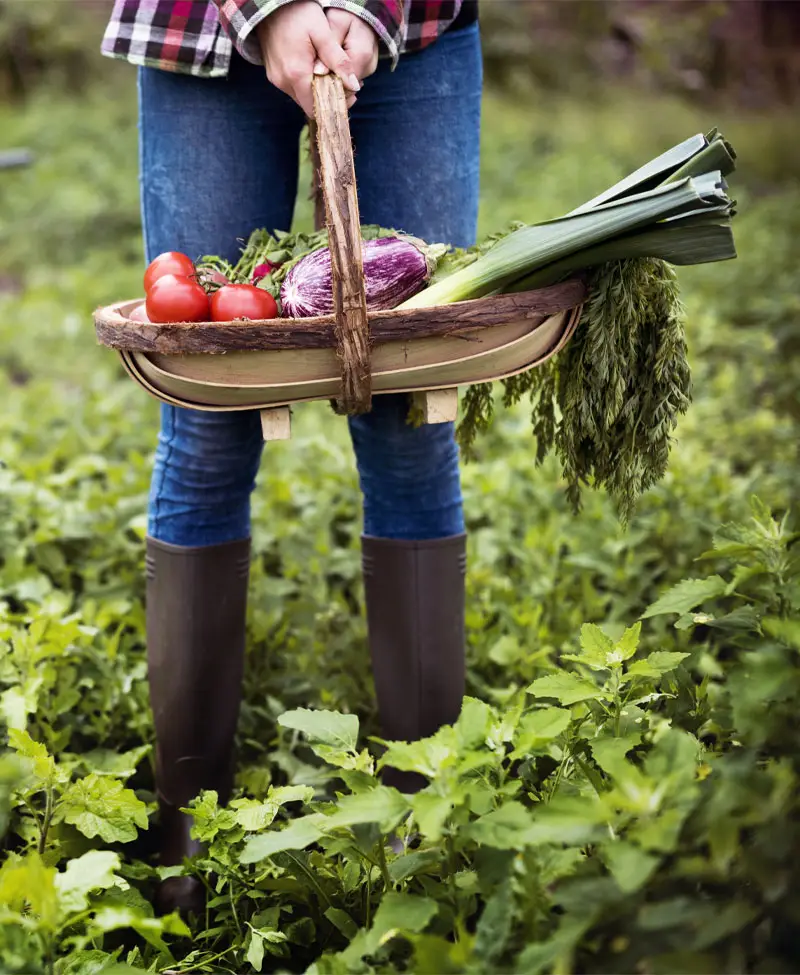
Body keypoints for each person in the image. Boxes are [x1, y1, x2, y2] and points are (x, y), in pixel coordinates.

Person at [101, 0, 481, 916]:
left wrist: (364, 10)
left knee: (409, 409)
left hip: (412, 32)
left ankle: (429, 823)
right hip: (203, 33)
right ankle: (189, 840)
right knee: (209, 411)